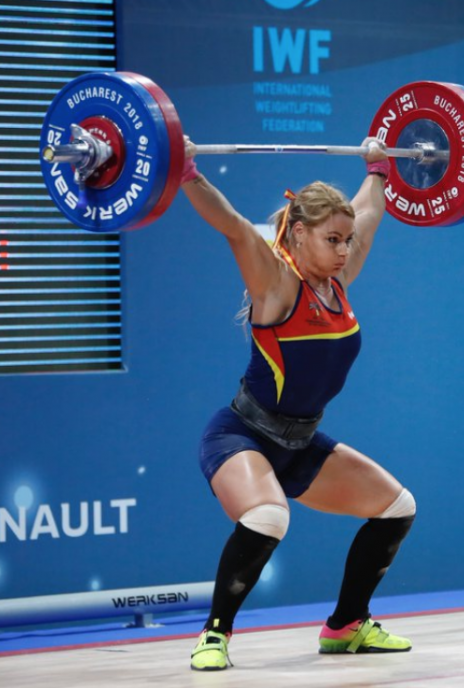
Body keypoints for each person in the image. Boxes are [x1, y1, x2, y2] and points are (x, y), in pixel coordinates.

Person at [178, 136, 416, 671]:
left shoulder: (340, 279)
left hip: (302, 443)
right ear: (300, 233)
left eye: (346, 240)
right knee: (268, 516)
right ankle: (215, 634)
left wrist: (379, 166)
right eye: (332, 239)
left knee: (396, 508)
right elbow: (234, 226)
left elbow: (371, 210)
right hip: (242, 436)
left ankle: (346, 626)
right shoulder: (278, 284)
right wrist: (186, 170)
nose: (343, 250)